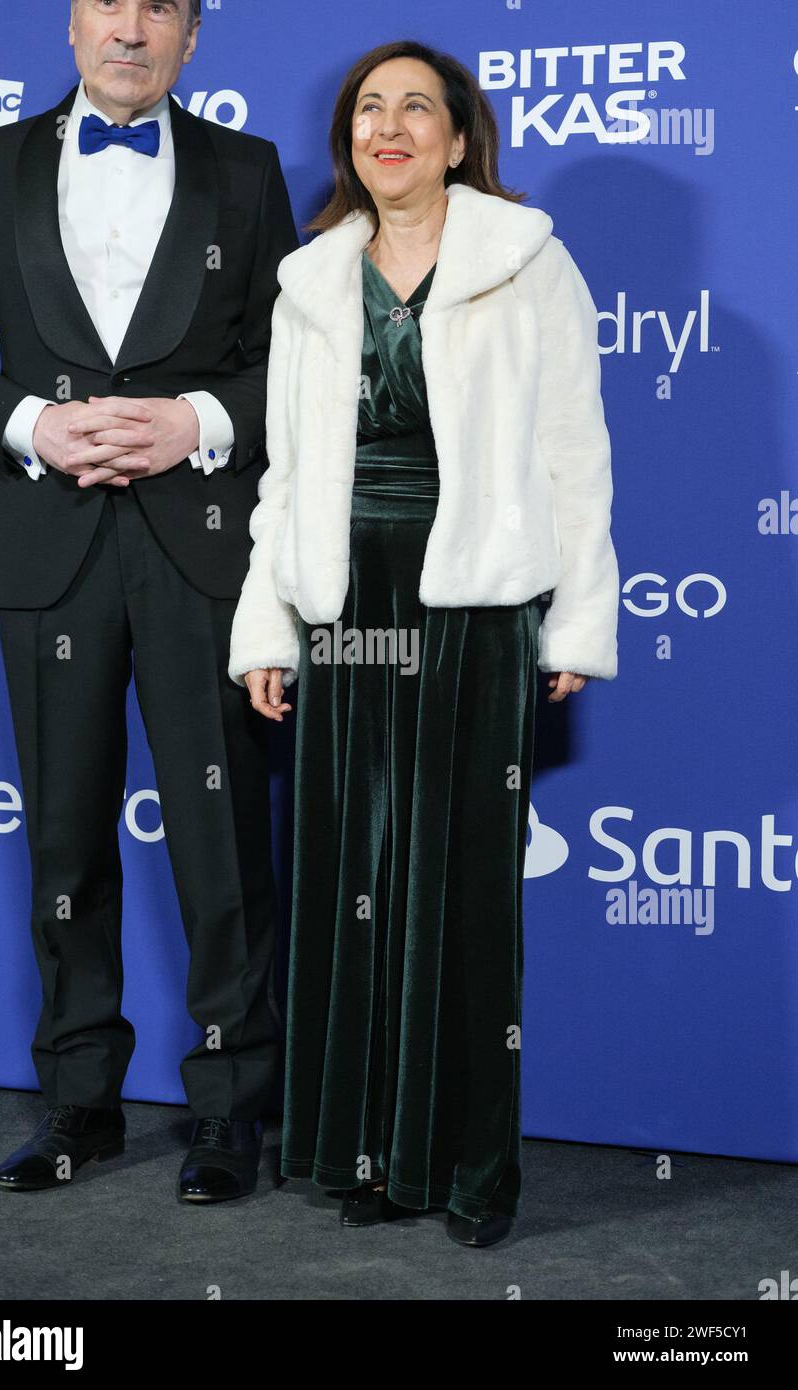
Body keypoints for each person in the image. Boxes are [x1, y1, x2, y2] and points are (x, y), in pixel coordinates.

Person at [228, 40, 619, 1248]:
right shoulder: (310, 282)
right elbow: (286, 473)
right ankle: (366, 1154)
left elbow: (574, 455)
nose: (385, 126)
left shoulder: (525, 261)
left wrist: (574, 617)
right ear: (348, 137)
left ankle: (464, 1170)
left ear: (459, 139)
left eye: (415, 109)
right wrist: (268, 622)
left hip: (473, 606)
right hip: (346, 602)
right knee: (350, 875)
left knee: (456, 890)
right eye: (366, 109)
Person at [0, 0, 298, 1200]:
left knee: (224, 841)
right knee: (64, 836)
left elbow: (283, 353)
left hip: (201, 546)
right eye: (107, 5)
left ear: (193, 38)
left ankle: (234, 1110)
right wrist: (32, 424)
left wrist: (198, 420)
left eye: (159, 9)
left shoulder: (246, 171)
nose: (129, 30)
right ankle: (79, 1103)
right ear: (70, 26)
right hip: (52, 543)